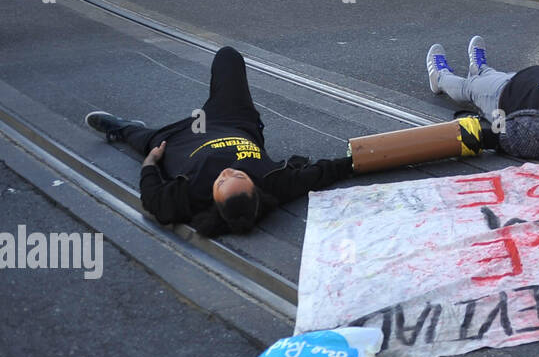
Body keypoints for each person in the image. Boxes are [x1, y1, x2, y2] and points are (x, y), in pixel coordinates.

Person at [84, 47, 354, 237]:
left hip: (174, 139)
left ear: (213, 199)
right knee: (228, 56)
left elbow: (153, 200)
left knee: (136, 137)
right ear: (255, 188)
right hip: (230, 119)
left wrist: (150, 163)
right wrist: (360, 160)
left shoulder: (188, 198)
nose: (228, 171)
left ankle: (123, 127)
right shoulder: (274, 183)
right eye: (239, 175)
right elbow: (324, 173)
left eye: (222, 182)